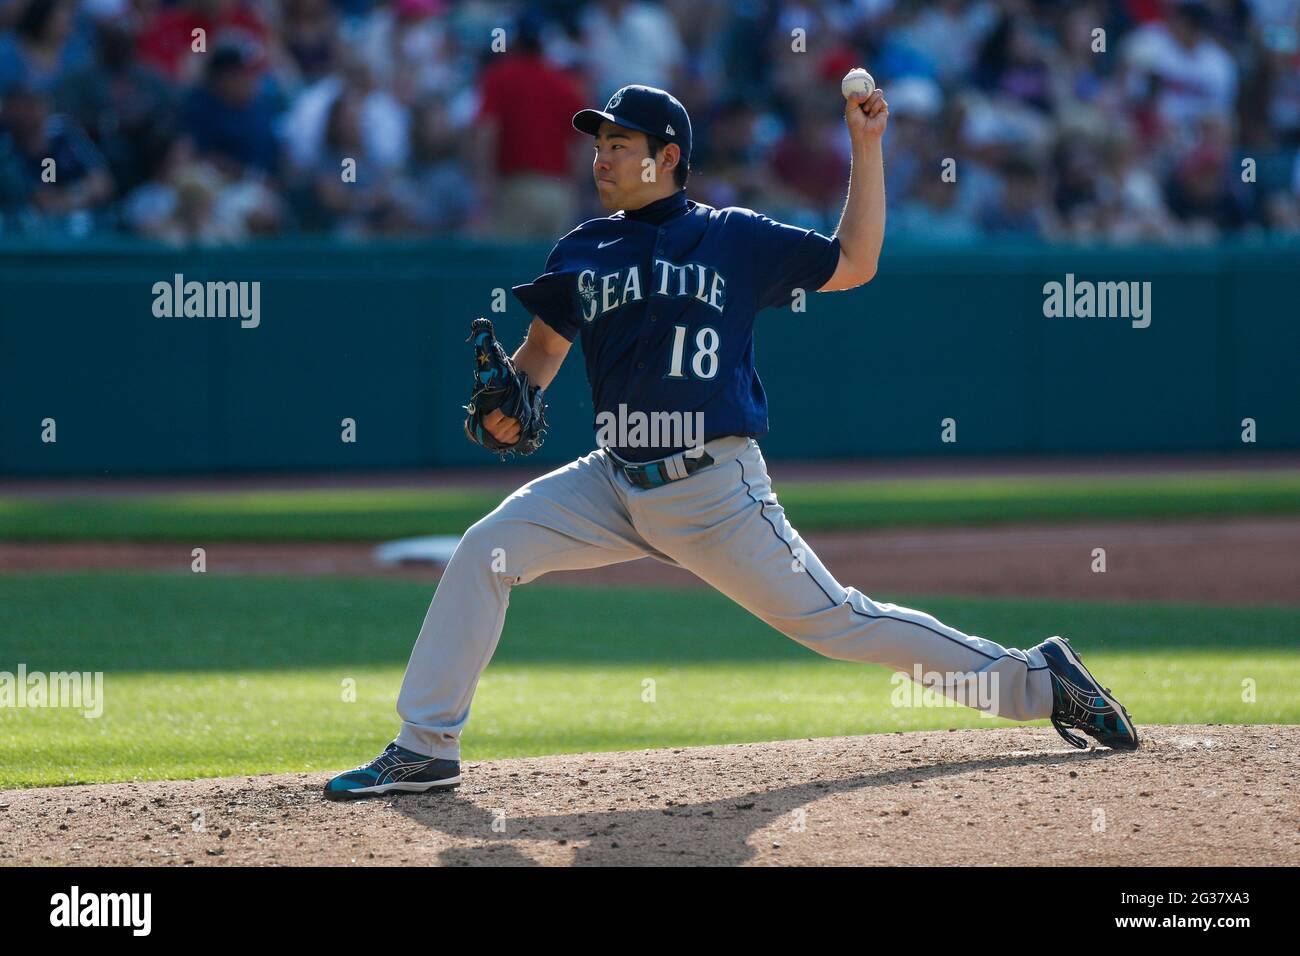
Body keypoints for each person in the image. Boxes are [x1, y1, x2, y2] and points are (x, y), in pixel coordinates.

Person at [325, 81, 1139, 800]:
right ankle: (425, 748)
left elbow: (855, 262)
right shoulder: (582, 248)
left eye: (619, 144)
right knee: (484, 551)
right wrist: (514, 400)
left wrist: (866, 144)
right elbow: (538, 360)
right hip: (609, 482)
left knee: (841, 624)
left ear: (667, 155)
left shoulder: (735, 237)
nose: (601, 157)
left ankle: (1040, 680)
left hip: (715, 489)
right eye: (599, 144)